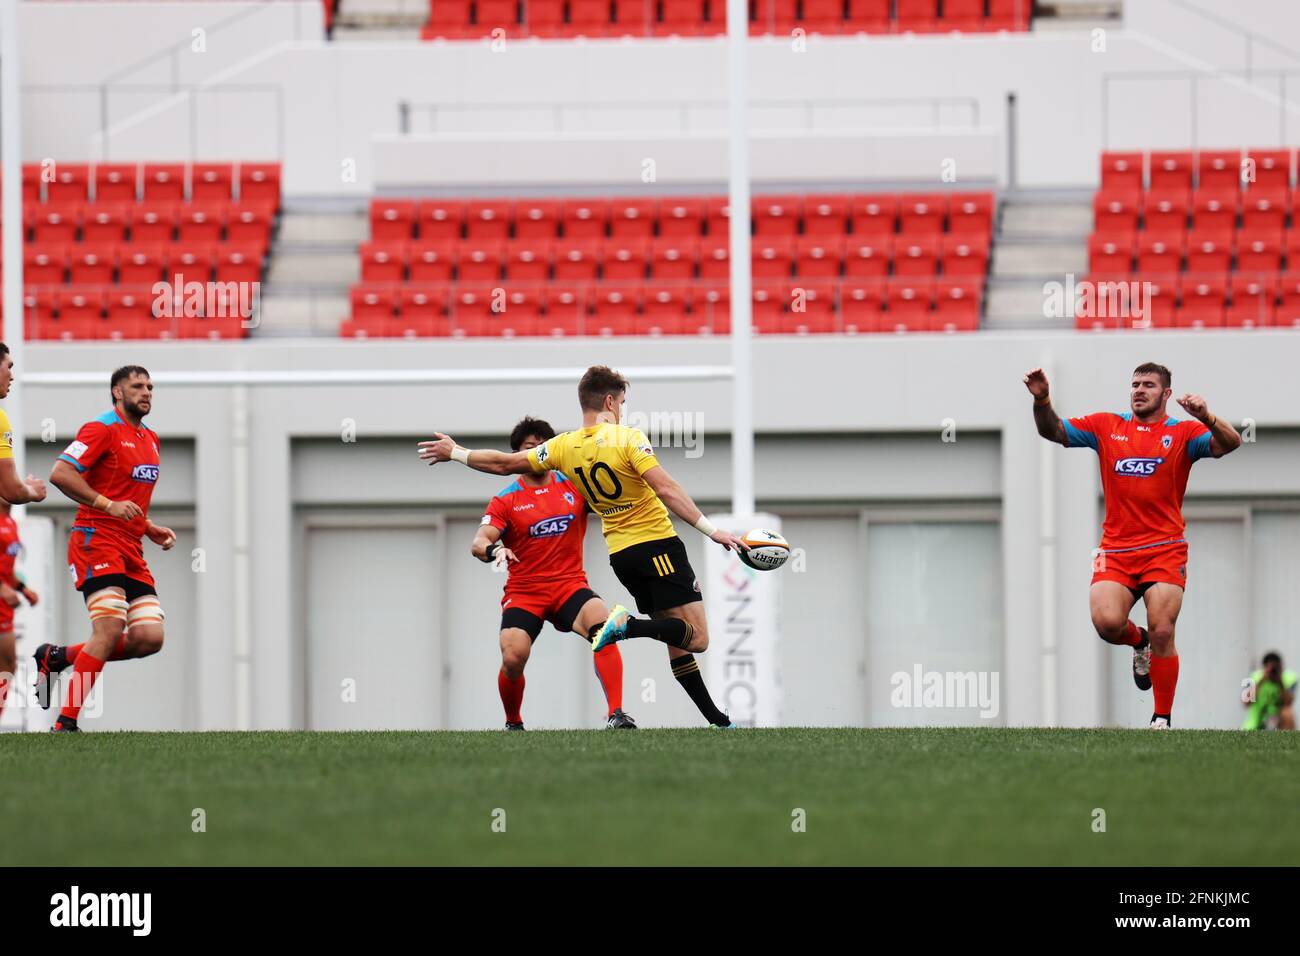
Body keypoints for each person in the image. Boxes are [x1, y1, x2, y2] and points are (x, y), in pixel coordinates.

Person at [420, 365, 747, 728]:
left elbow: (503, 463)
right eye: (622, 401)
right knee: (698, 638)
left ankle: (717, 721)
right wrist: (711, 530)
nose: (622, 409)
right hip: (657, 546)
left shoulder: (563, 447)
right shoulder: (627, 438)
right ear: (610, 400)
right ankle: (626, 626)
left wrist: (456, 452)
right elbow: (666, 489)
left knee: (677, 637)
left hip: (622, 558)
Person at [1025, 361, 1241, 729]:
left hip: (1165, 548)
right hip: (1117, 550)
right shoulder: (1108, 426)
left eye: (1149, 385)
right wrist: (1043, 400)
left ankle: (1161, 718)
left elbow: (1230, 443)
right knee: (1106, 622)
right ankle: (1137, 641)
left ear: (1166, 394)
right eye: (1135, 384)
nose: (1139, 390)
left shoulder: (1185, 432)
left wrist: (1207, 416)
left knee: (1163, 629)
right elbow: (1054, 432)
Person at [34, 366, 177, 732]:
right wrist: (106, 504)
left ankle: (57, 657)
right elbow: (61, 473)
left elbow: (129, 498)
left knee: (149, 638)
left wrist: (148, 527)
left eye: (150, 387)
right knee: (109, 629)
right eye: (137, 386)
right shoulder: (101, 428)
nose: (146, 392)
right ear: (117, 392)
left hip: (131, 547)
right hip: (95, 539)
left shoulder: (151, 438)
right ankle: (65, 723)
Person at [475, 415, 635, 730]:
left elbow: (616, 500)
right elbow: (479, 543)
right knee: (512, 657)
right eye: (527, 448)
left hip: (569, 586)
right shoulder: (506, 499)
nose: (534, 453)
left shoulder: (574, 486)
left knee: (605, 625)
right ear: (517, 455)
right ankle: (514, 723)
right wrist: (496, 550)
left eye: (540, 447)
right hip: (525, 593)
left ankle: (617, 714)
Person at [1241, 652, 1296, 730]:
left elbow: (1289, 703)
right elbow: (1246, 703)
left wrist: (1280, 683)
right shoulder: (1254, 677)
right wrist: (1262, 680)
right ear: (1264, 667)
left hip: (1279, 722)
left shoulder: (1290, 678)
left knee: (1287, 714)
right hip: (1256, 723)